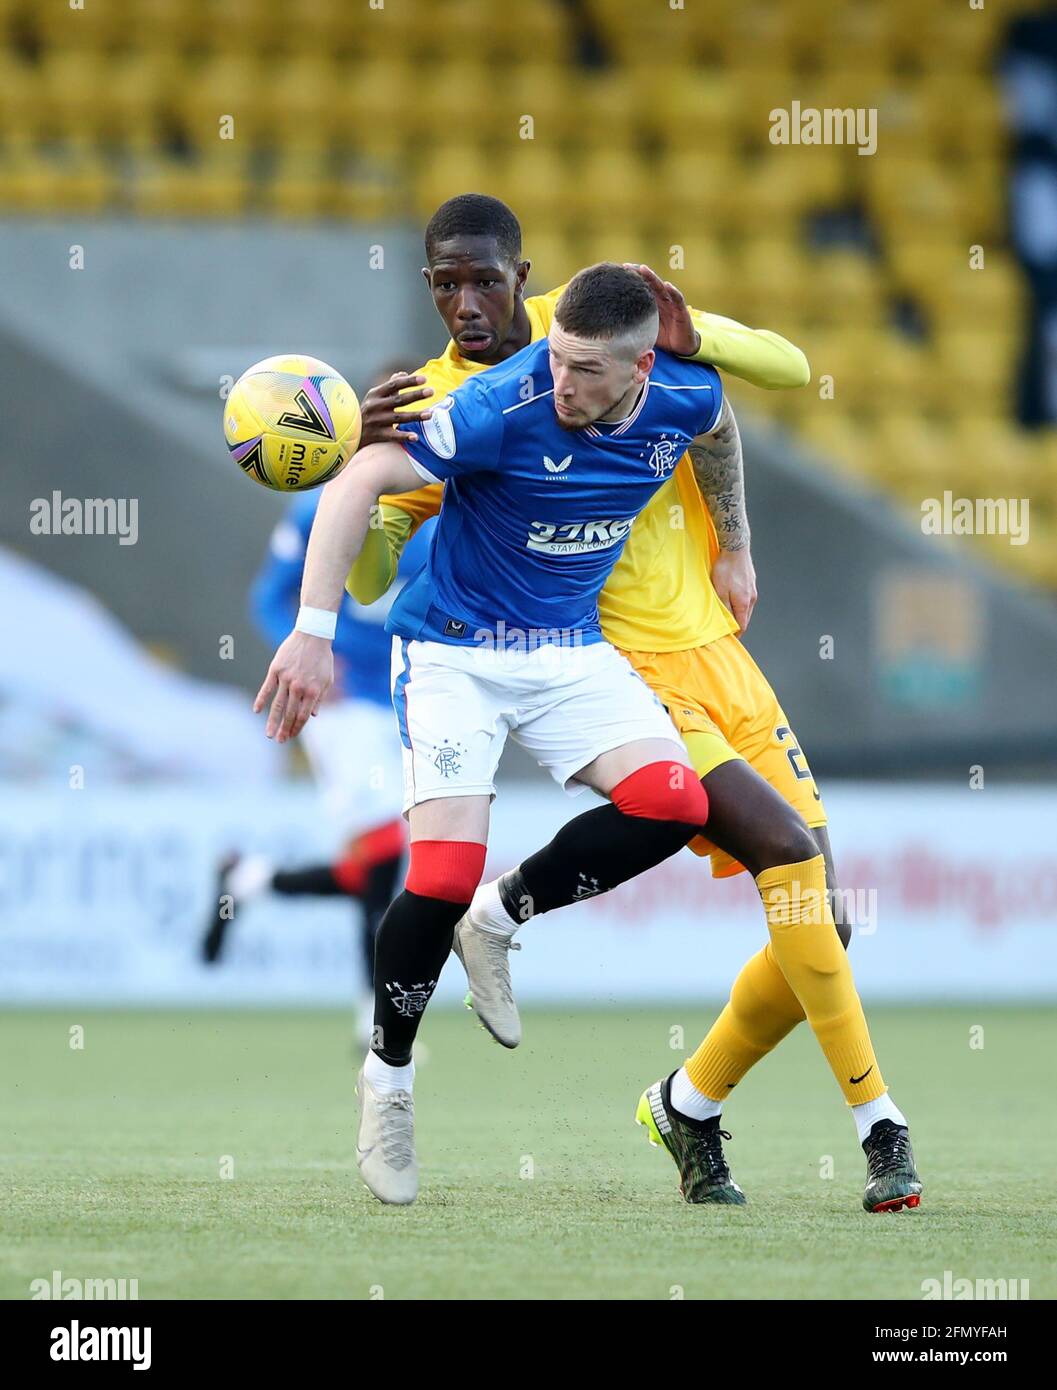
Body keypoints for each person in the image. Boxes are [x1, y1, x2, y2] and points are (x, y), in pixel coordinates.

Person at [348, 195, 921, 1214]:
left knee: (823, 916)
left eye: (486, 279)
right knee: (780, 857)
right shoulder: (451, 400)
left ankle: (686, 1101)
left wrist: (732, 517)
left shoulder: (603, 316)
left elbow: (771, 374)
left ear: (525, 277)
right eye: (445, 283)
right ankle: (879, 1126)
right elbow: (374, 572)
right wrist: (349, 477)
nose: (467, 303)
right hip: (613, 661)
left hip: (720, 649)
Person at [256, 263, 748, 1205]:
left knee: (675, 803)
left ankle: (499, 916)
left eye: (585, 373)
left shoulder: (682, 395)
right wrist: (312, 635)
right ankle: (388, 1079)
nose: (560, 384)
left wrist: (736, 544)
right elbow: (360, 476)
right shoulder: (495, 404)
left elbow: (719, 427)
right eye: (555, 359)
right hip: (454, 654)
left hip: (567, 648)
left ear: (642, 366)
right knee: (435, 871)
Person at [201, 367, 435, 1046]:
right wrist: (311, 648)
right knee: (388, 848)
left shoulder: (447, 499)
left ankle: (250, 878)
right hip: (340, 704)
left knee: (381, 863)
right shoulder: (322, 507)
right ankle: (375, 1012)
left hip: (413, 698)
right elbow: (269, 598)